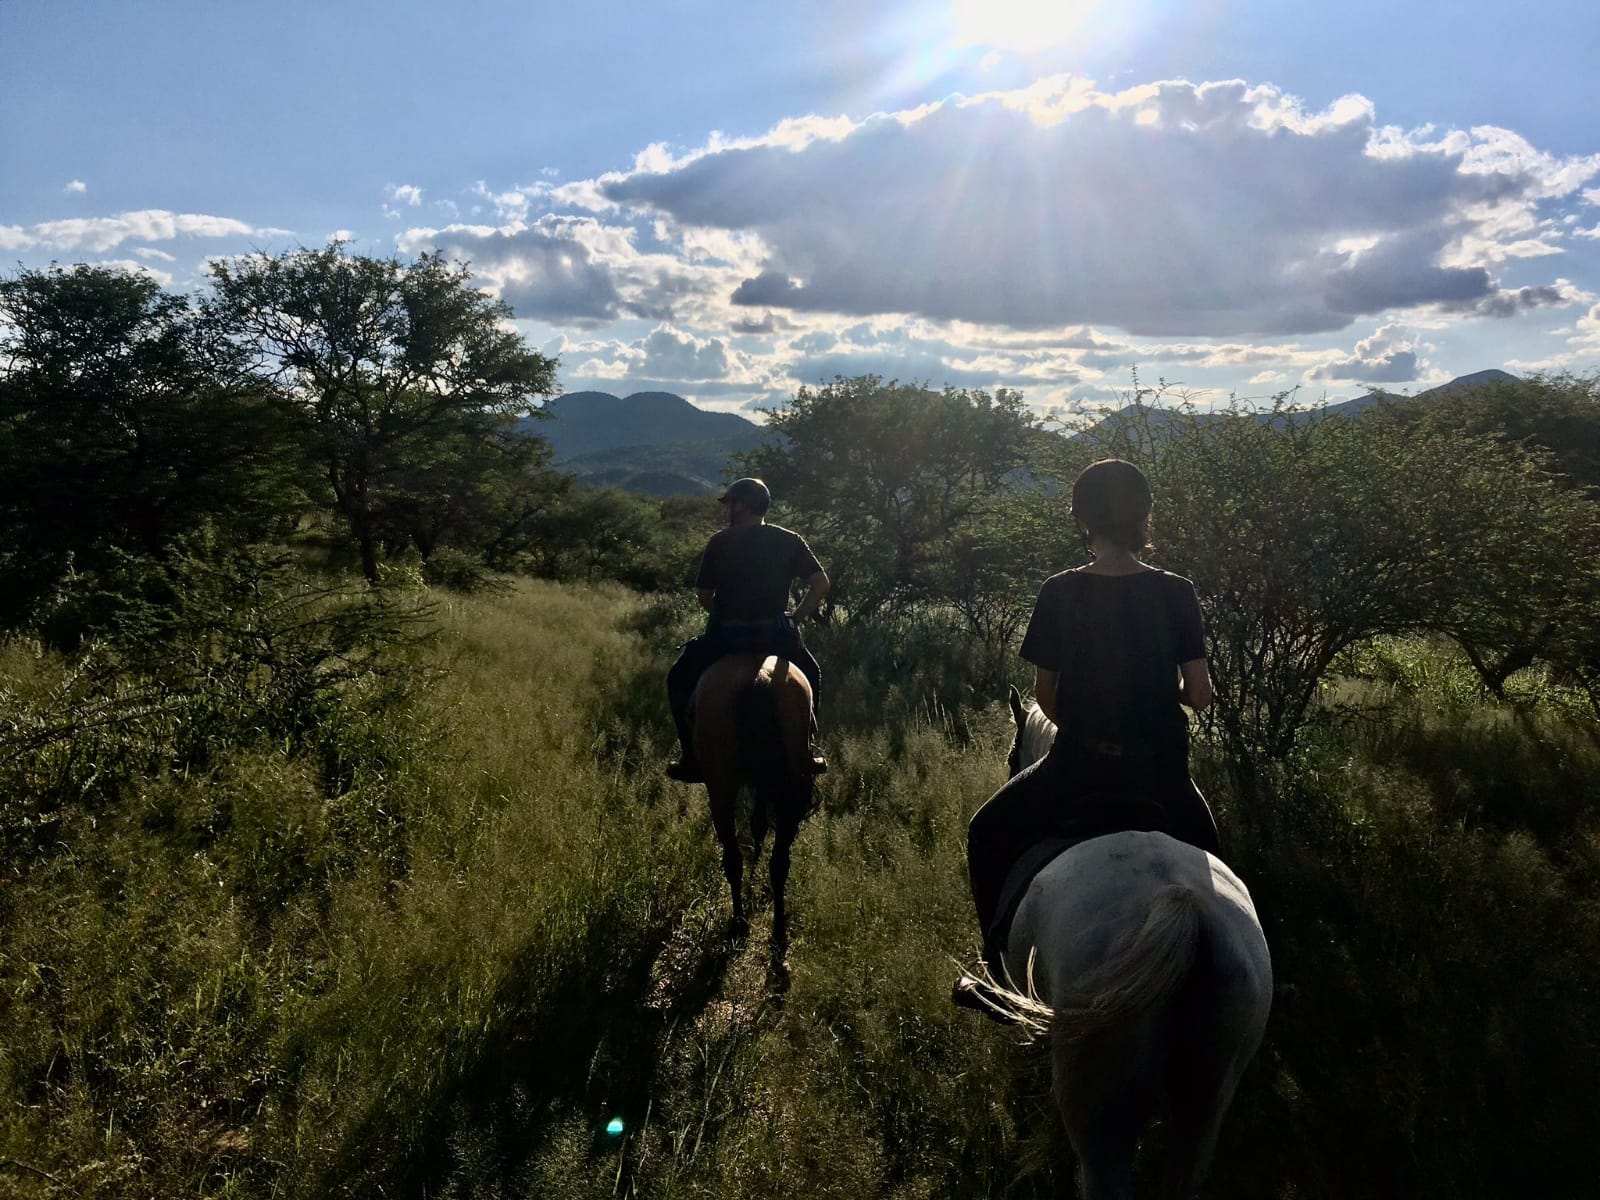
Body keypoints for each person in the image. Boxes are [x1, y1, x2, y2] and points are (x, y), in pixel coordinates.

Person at [956, 458, 1222, 1010]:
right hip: (1162, 772)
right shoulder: (1178, 592)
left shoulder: (1060, 591)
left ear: (1083, 521)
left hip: (1079, 766)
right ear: (1144, 518)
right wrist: (1157, 693)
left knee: (985, 834)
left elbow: (1046, 699)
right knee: (1221, 871)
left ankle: (996, 977)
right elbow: (1198, 695)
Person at [665, 477, 830, 783]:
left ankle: (690, 756)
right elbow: (821, 584)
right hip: (776, 635)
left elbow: (704, 595)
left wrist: (725, 613)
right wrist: (794, 618)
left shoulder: (720, 541)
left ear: (740, 505)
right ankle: (806, 750)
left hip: (728, 635)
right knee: (812, 673)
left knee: (678, 678)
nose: (729, 509)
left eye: (731, 503)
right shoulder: (789, 539)